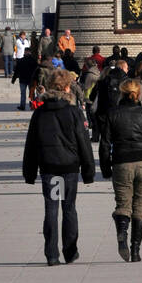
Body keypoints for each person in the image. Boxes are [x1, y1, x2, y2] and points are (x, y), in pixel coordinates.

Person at [23, 68, 95, 266]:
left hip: (49, 167)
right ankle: (70, 251)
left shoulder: (39, 113)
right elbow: (83, 142)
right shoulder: (73, 112)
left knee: (51, 209)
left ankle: (52, 254)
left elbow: (31, 144)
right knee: (69, 208)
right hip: (69, 167)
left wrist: (29, 172)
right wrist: (89, 170)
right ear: (66, 87)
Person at [99, 78, 142, 262]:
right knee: (140, 208)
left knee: (123, 204)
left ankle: (122, 232)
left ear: (121, 92)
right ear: (138, 94)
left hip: (121, 163)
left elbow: (105, 144)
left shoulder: (113, 113)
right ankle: (135, 250)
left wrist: (105, 167)